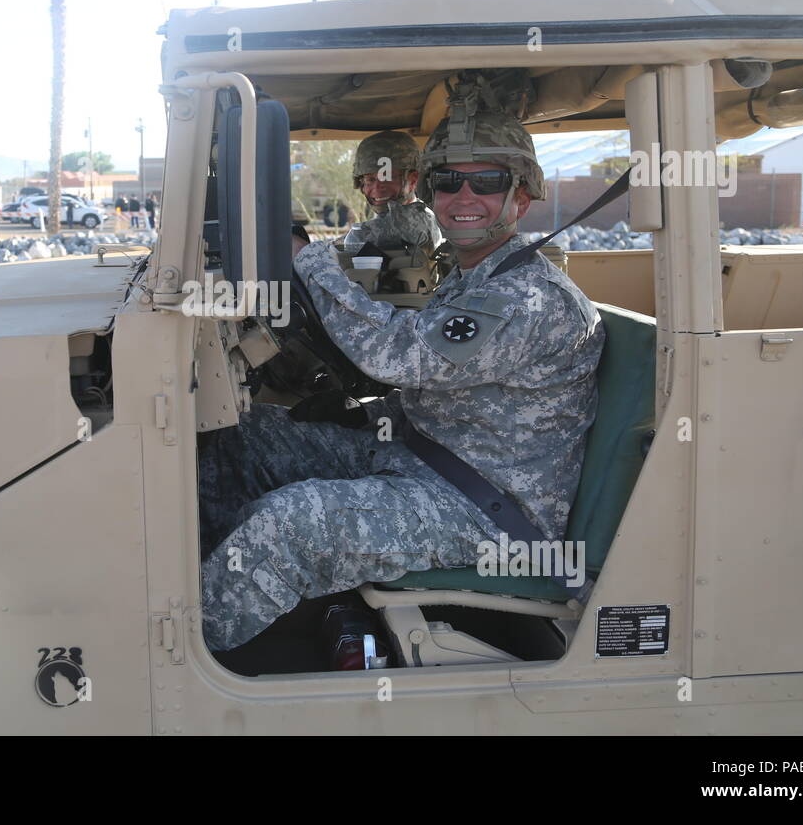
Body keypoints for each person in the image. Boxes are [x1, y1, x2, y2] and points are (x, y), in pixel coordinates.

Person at [199, 87, 606, 652]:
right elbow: (431, 381)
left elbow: (400, 355)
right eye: (448, 182)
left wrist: (316, 264)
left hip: (487, 512)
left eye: (486, 182)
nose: (464, 196)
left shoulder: (529, 297)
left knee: (288, 525)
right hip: (421, 459)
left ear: (522, 196)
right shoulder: (472, 276)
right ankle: (213, 582)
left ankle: (179, 665)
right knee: (243, 440)